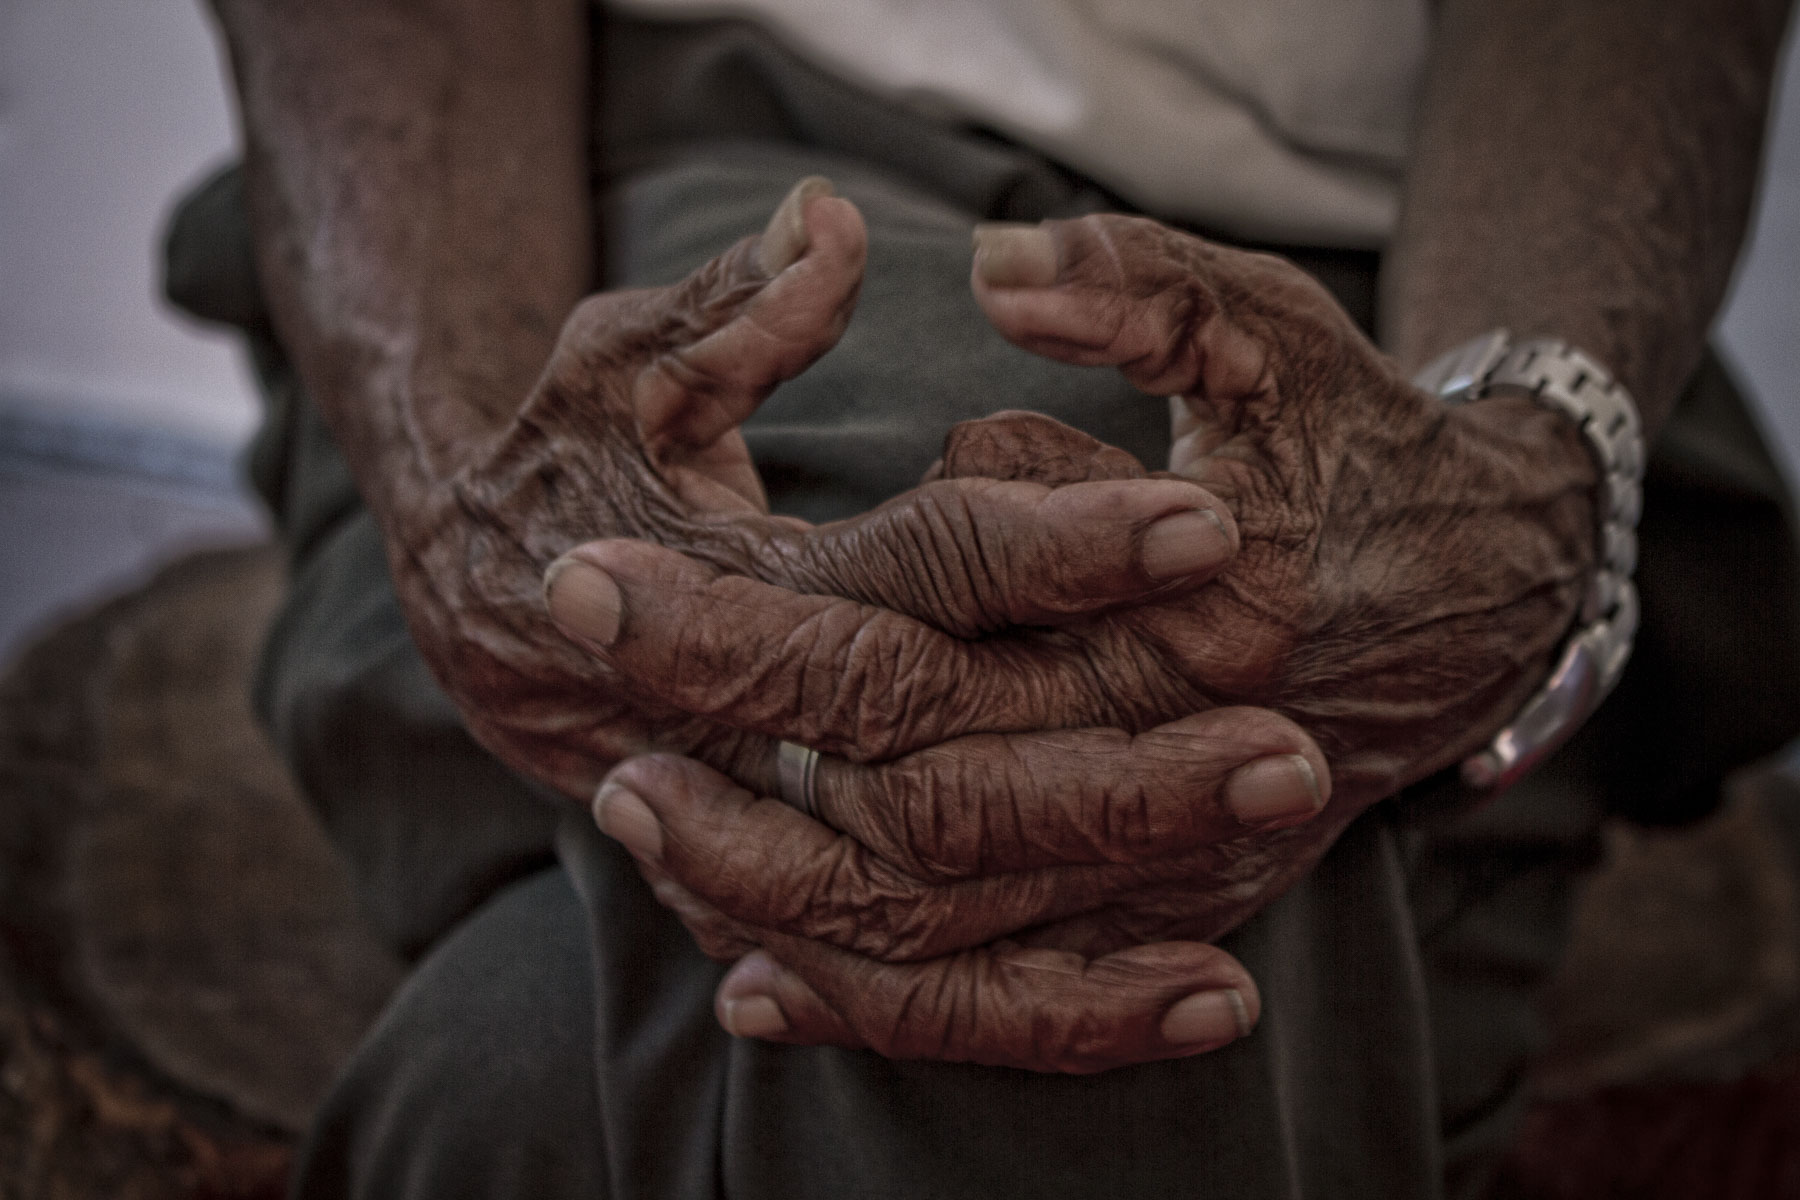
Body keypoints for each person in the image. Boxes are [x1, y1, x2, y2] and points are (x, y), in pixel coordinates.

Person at [165, 0, 1800, 1195]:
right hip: (608, 181)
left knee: (533, 1075)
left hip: (1428, 255)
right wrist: (468, 459)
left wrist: (1517, 442)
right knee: (1036, 777)